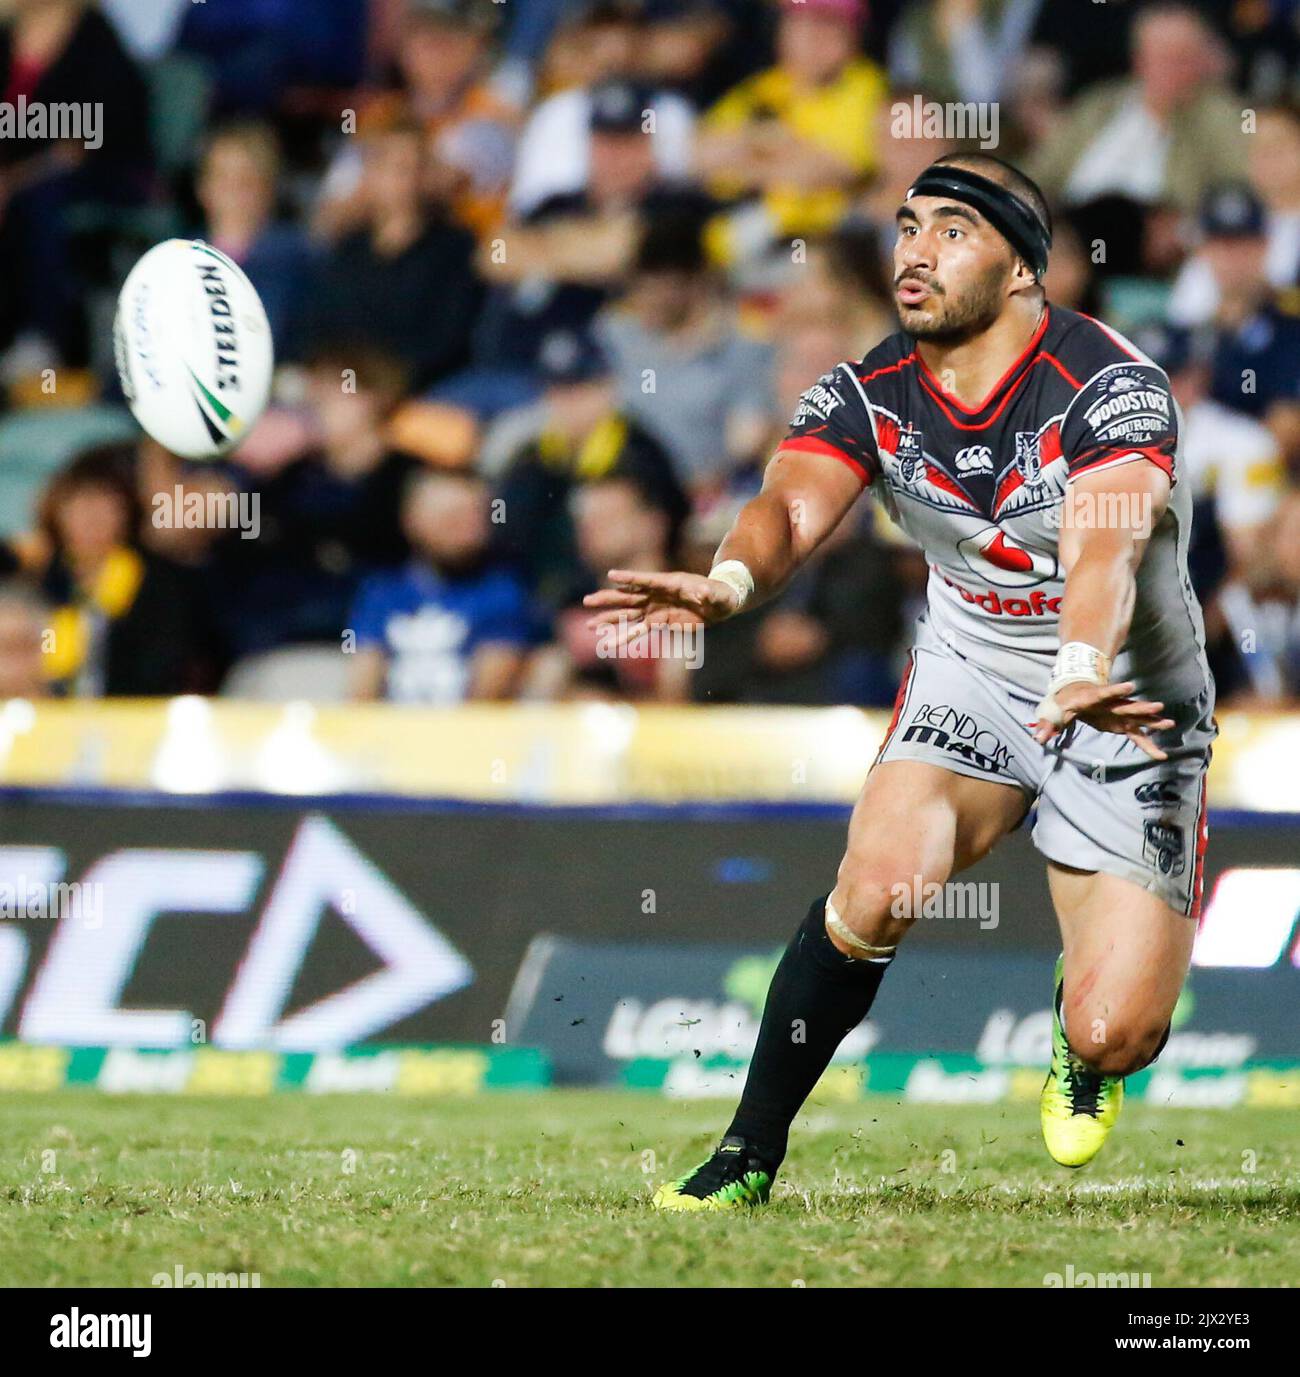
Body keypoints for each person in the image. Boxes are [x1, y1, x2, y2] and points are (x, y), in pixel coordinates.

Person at [588, 152, 1217, 1206]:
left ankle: (1080, 1037)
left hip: (1123, 697)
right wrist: (730, 581)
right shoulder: (868, 390)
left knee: (1119, 1029)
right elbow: (791, 504)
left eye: (951, 231)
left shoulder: (1108, 388)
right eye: (906, 226)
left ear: (1023, 270)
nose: (914, 252)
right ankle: (746, 1153)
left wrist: (1077, 666)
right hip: (974, 675)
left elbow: (1103, 546)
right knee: (875, 886)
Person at [349, 471, 532, 704]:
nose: (467, 532)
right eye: (452, 519)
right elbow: (361, 689)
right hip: (388, 731)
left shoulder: (502, 593)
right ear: (412, 520)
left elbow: (487, 700)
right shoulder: (380, 591)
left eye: (474, 518)